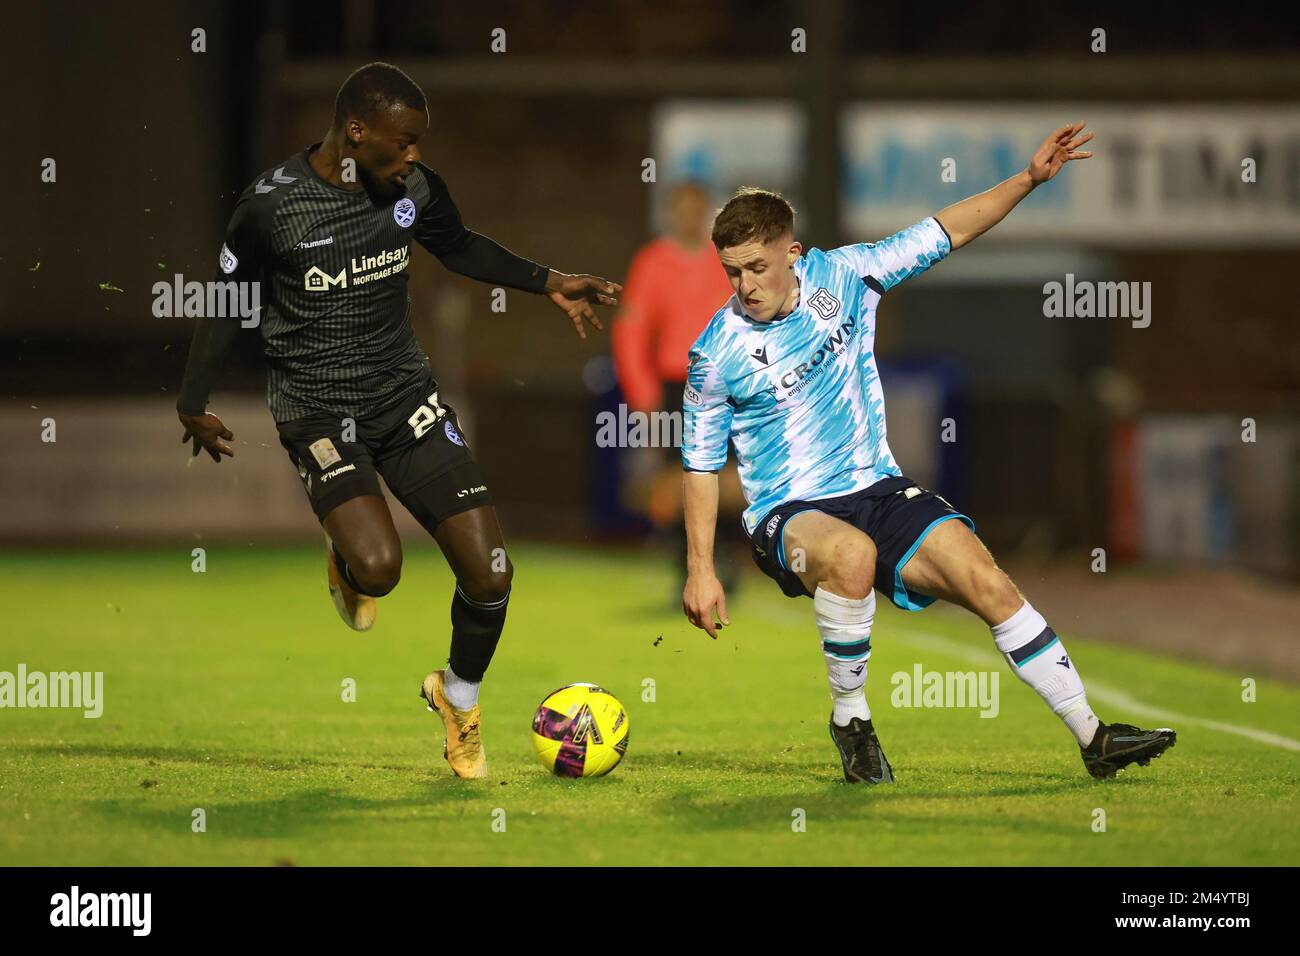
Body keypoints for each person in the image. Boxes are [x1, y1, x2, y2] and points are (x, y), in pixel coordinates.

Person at [679, 122, 1176, 783]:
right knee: (850, 558)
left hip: (878, 489)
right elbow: (700, 465)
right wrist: (700, 569)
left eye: (757, 268)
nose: (745, 286)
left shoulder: (849, 275)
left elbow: (949, 231)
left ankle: (1094, 736)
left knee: (988, 582)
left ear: (793, 253)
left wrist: (1028, 179)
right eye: (732, 273)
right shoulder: (716, 354)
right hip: (787, 512)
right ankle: (851, 720)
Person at [176, 62, 621, 780]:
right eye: (404, 141)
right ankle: (349, 559)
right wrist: (193, 400)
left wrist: (549, 281)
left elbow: (462, 244)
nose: (414, 155)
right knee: (380, 571)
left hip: (403, 397)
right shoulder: (271, 206)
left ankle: (458, 695)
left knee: (491, 572)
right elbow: (225, 301)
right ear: (356, 132)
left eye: (419, 143)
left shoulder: (414, 191)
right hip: (317, 407)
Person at [611, 181, 744, 596]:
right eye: (681, 209)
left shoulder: (726, 261)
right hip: (677, 383)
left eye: (696, 208)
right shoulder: (652, 262)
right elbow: (631, 330)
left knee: (731, 478)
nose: (689, 217)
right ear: (671, 213)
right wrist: (641, 391)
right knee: (681, 479)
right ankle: (688, 565)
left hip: (729, 381)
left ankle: (729, 555)